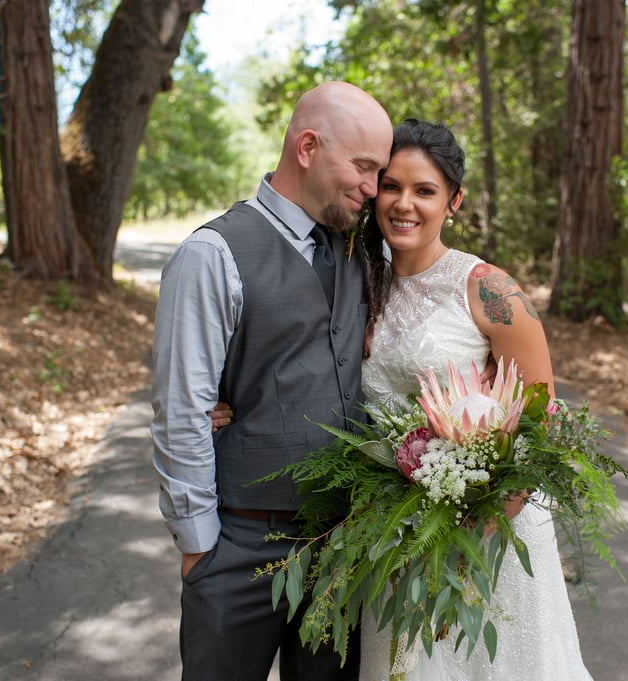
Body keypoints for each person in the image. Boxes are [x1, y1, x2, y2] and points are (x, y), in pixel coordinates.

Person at [150, 81, 393, 681]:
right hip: (238, 547)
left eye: (378, 173)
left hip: (340, 548)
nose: (373, 189)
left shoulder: (362, 250)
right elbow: (182, 408)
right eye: (363, 168)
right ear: (307, 146)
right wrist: (199, 547)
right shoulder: (213, 254)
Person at [356, 119, 594, 681]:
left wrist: (468, 542)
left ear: (454, 201)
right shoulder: (359, 281)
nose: (403, 204)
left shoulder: (489, 288)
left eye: (424, 190)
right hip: (390, 530)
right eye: (391, 186)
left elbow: (541, 427)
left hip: (484, 532)